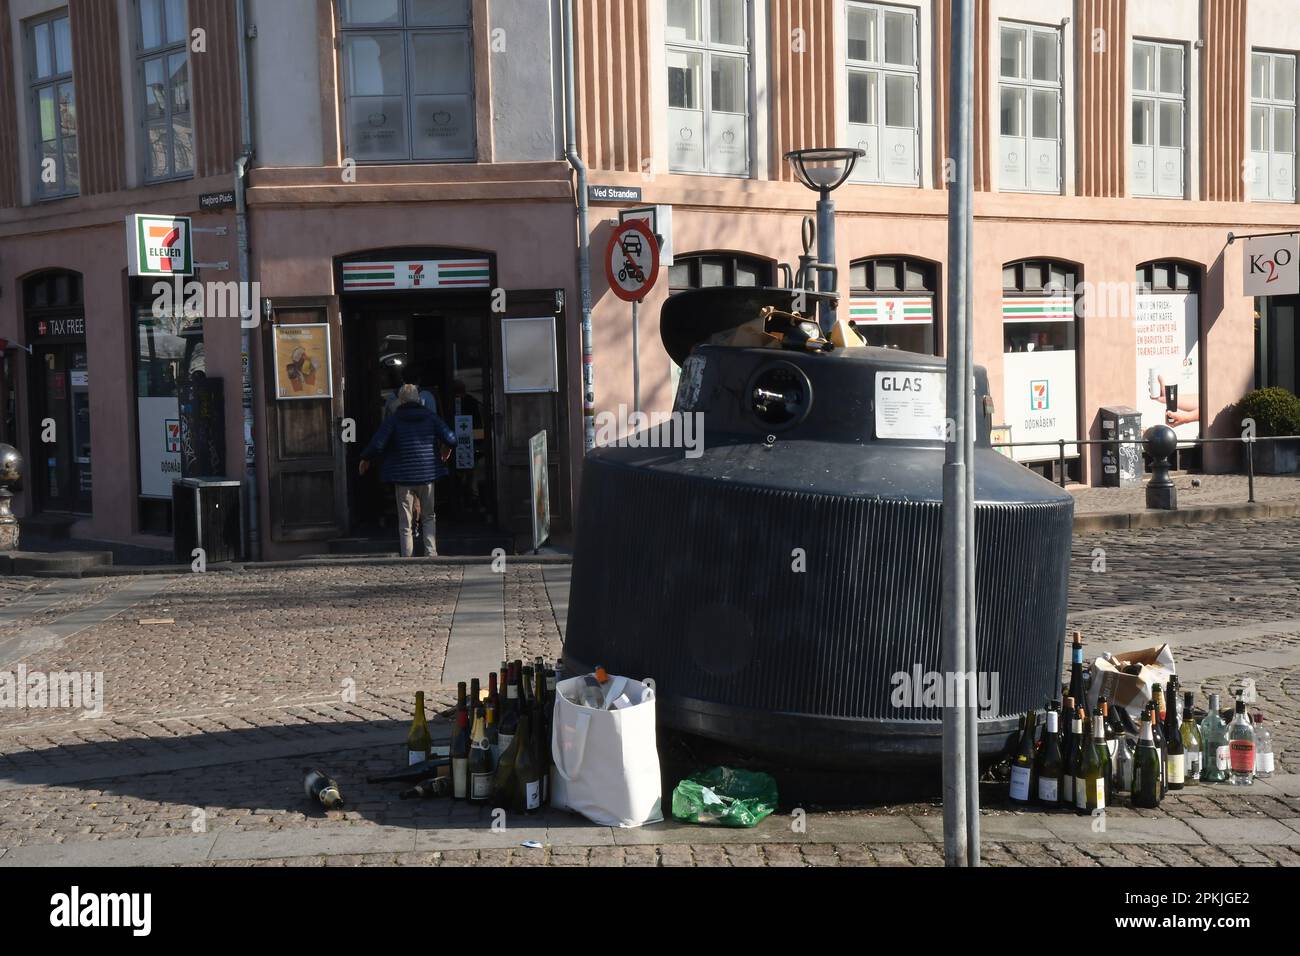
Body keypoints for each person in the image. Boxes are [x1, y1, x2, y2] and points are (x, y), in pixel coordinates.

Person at [359, 384, 456, 557]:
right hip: (427, 475)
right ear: (419, 399)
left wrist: (366, 458)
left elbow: (378, 444)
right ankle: (431, 553)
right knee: (428, 516)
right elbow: (451, 437)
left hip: (402, 477)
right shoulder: (430, 417)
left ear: (400, 401)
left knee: (405, 521)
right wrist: (447, 448)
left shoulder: (394, 419)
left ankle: (407, 557)